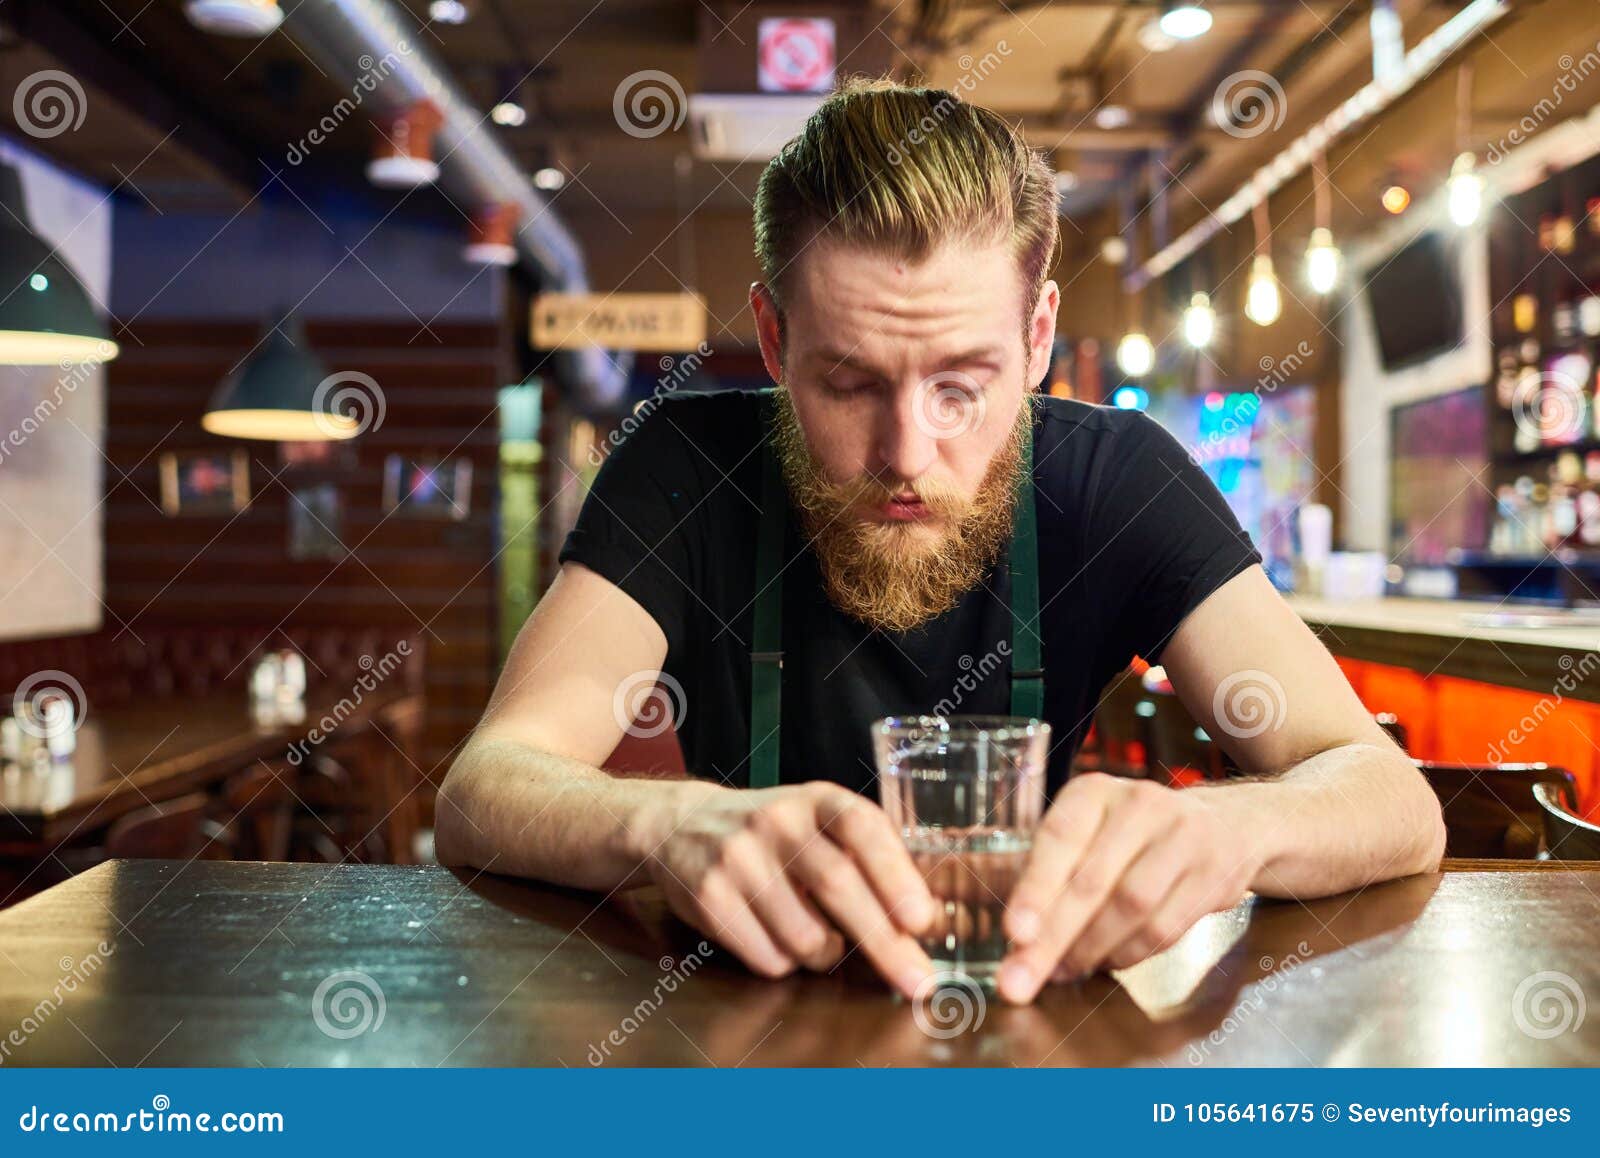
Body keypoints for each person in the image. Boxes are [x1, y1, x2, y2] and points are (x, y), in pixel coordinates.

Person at [437, 78, 1445, 1006]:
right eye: (849, 383)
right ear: (777, 339)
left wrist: (1226, 830)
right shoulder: (685, 466)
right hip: (734, 1029)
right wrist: (659, 826)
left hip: (1031, 1022)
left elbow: (1388, 796)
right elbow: (487, 787)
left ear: (1038, 336)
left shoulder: (1114, 481)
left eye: (962, 384)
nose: (906, 453)